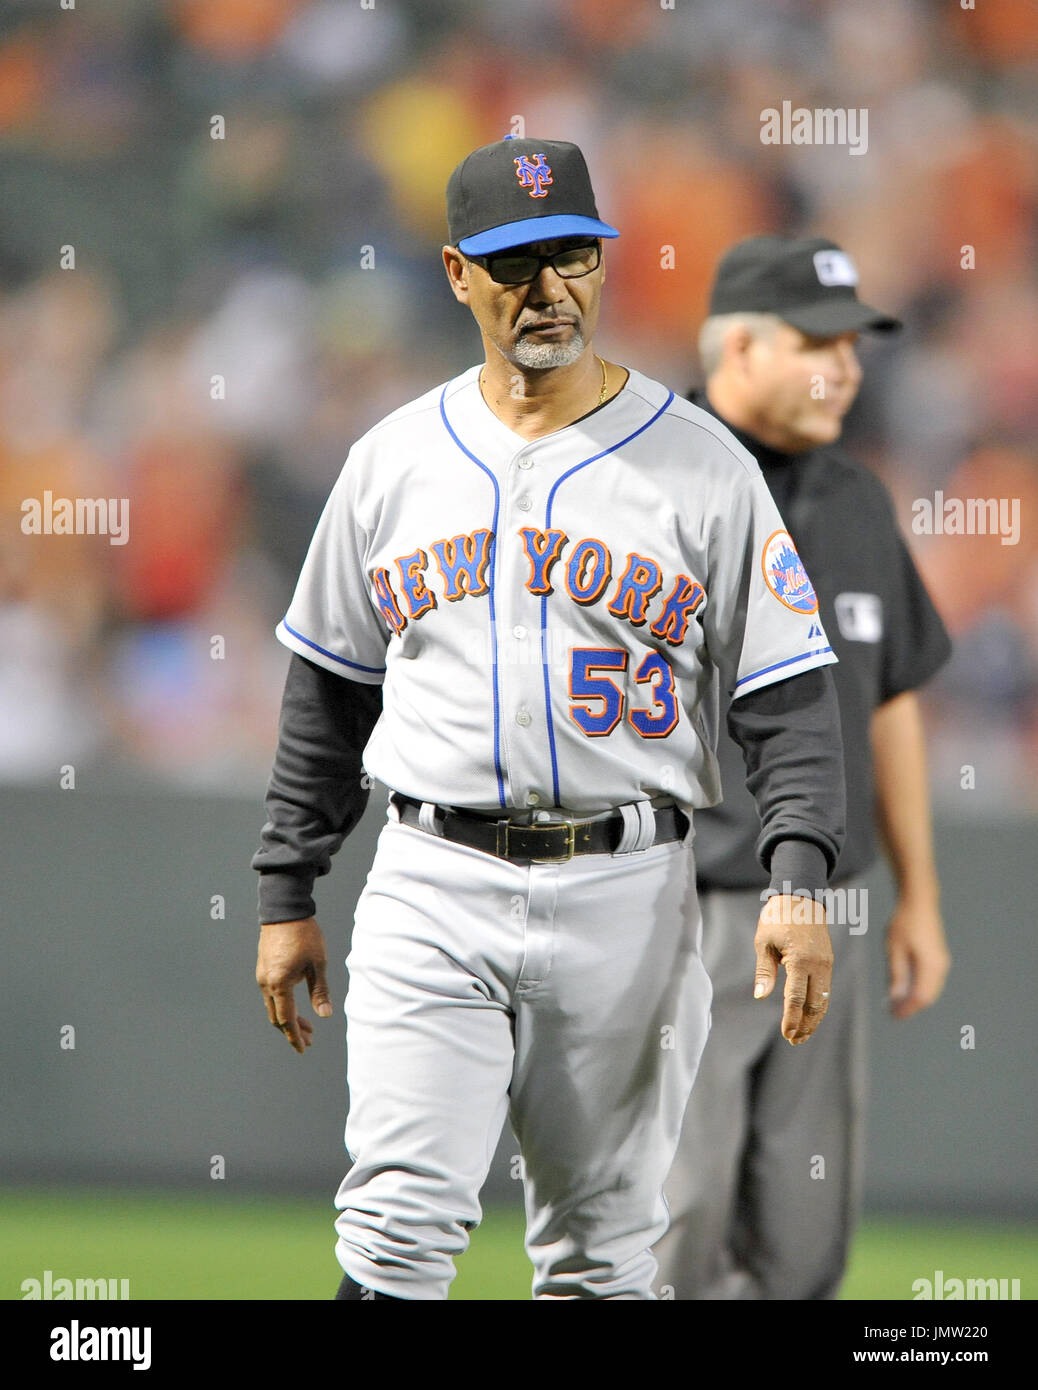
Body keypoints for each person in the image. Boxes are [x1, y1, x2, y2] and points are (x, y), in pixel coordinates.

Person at [251, 140, 846, 1301]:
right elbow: (327, 692)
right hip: (432, 875)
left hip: (631, 888)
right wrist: (285, 889)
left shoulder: (703, 464)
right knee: (396, 1228)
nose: (550, 287)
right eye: (515, 262)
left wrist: (797, 879)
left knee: (603, 1253)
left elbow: (786, 695)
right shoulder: (390, 462)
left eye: (573, 254)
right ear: (457, 275)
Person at [654, 235, 953, 1301]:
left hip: (831, 910)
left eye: (856, 343)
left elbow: (893, 706)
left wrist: (918, 896)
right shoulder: (645, 479)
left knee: (804, 1236)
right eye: (819, 341)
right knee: (671, 1221)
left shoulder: (857, 501)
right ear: (738, 342)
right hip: (683, 909)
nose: (849, 366)